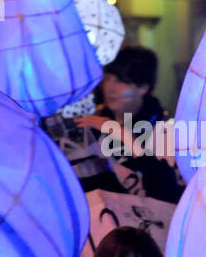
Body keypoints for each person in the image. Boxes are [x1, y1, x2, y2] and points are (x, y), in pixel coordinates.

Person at [71, 46, 184, 203]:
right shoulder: (93, 127)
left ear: (143, 87)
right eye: (107, 78)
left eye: (121, 81)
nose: (110, 88)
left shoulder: (167, 132)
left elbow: (167, 194)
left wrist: (126, 137)